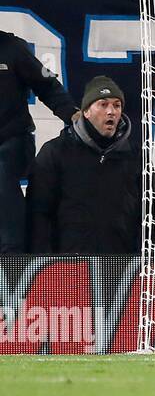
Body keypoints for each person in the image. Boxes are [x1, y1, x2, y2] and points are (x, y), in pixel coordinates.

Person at [26, 76, 144, 254]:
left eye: (116, 105)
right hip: (68, 267)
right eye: (103, 104)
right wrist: (43, 263)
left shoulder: (136, 156)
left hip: (121, 267)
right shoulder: (55, 152)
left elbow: (153, 213)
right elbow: (37, 214)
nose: (111, 111)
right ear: (86, 112)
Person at [0, 29, 77, 252]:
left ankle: (12, 258)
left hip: (11, 141)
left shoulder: (12, 48)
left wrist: (72, 115)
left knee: (2, 179)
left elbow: (48, 86)